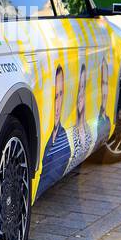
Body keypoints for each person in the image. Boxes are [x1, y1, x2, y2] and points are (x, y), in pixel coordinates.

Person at [37, 64, 71, 195]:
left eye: (60, 95)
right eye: (55, 96)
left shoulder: (63, 146)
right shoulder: (49, 139)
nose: (57, 104)